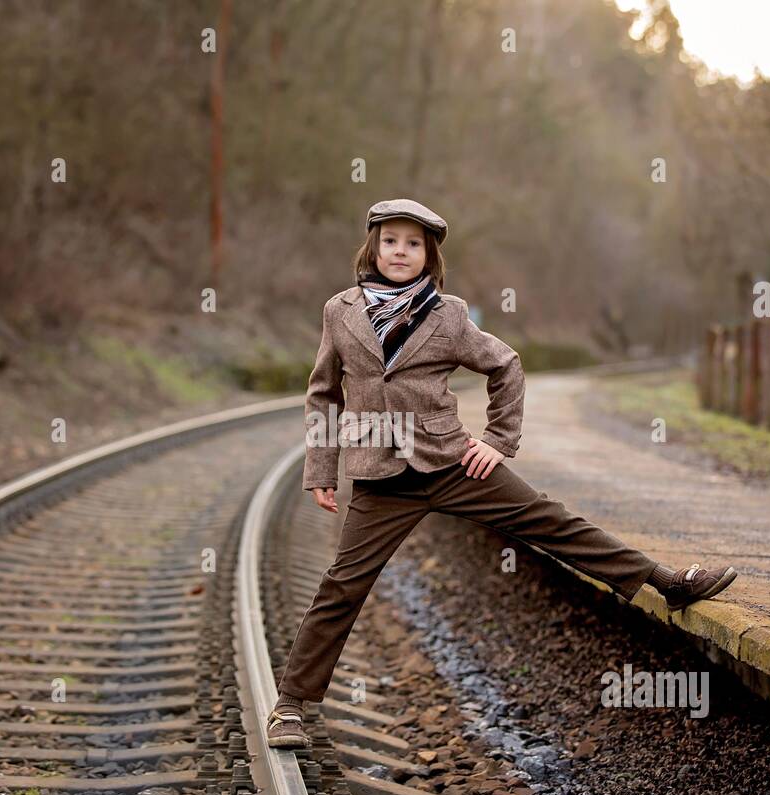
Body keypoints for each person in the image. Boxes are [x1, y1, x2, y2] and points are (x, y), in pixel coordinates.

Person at [266, 198, 737, 748]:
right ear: (372, 246)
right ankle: (291, 707)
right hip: (379, 477)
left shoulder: (448, 315)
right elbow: (323, 393)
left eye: (413, 244)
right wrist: (322, 467)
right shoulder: (340, 311)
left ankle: (666, 582)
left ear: (429, 256)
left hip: (450, 462)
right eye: (390, 240)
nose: (400, 251)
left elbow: (506, 365)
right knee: (343, 586)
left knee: (551, 522)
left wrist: (496, 440)